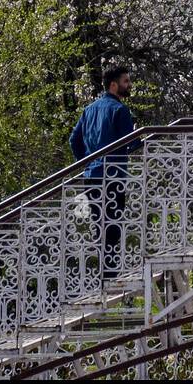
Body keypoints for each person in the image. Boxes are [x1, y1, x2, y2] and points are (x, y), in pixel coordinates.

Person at [69, 65, 141, 279]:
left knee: (99, 224)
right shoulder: (119, 110)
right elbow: (133, 142)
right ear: (113, 85)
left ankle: (104, 274)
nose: (129, 85)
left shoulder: (89, 110)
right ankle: (110, 274)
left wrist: (87, 162)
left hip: (92, 177)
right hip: (113, 176)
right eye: (126, 81)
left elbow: (74, 139)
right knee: (113, 224)